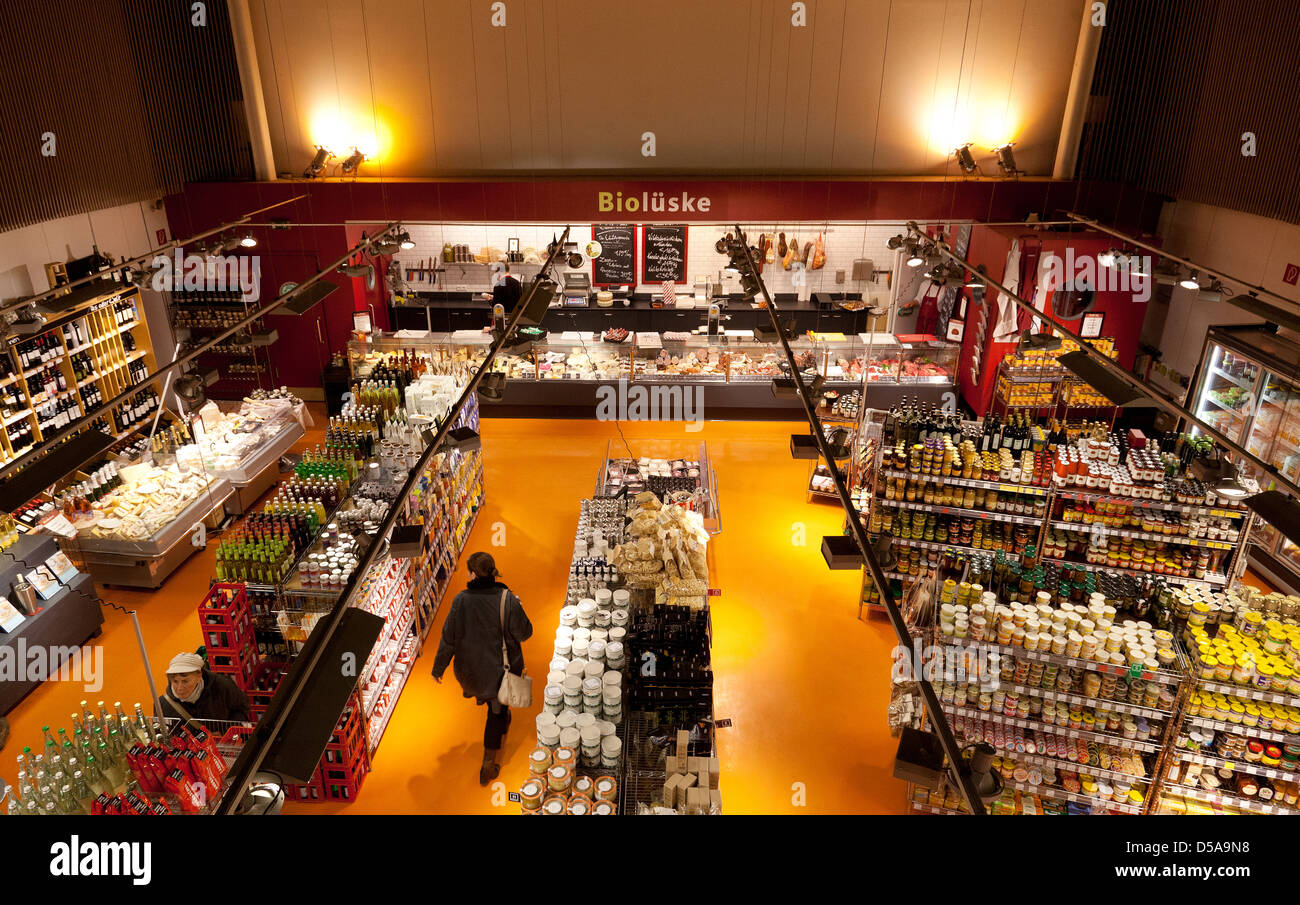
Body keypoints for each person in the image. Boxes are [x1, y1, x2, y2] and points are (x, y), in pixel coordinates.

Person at [431, 552, 532, 785]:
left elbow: (449, 638)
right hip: (500, 672)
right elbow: (525, 633)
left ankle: (502, 714)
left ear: (473, 574)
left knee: (496, 705)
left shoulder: (460, 600)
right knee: (495, 712)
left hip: (472, 672)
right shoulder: (507, 600)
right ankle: (488, 765)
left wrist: (439, 668)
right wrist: (519, 609)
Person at [157, 652, 252, 724]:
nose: (179, 688)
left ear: (199, 676)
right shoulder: (163, 704)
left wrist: (226, 730)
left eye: (185, 681)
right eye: (175, 682)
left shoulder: (222, 686)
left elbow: (242, 708)